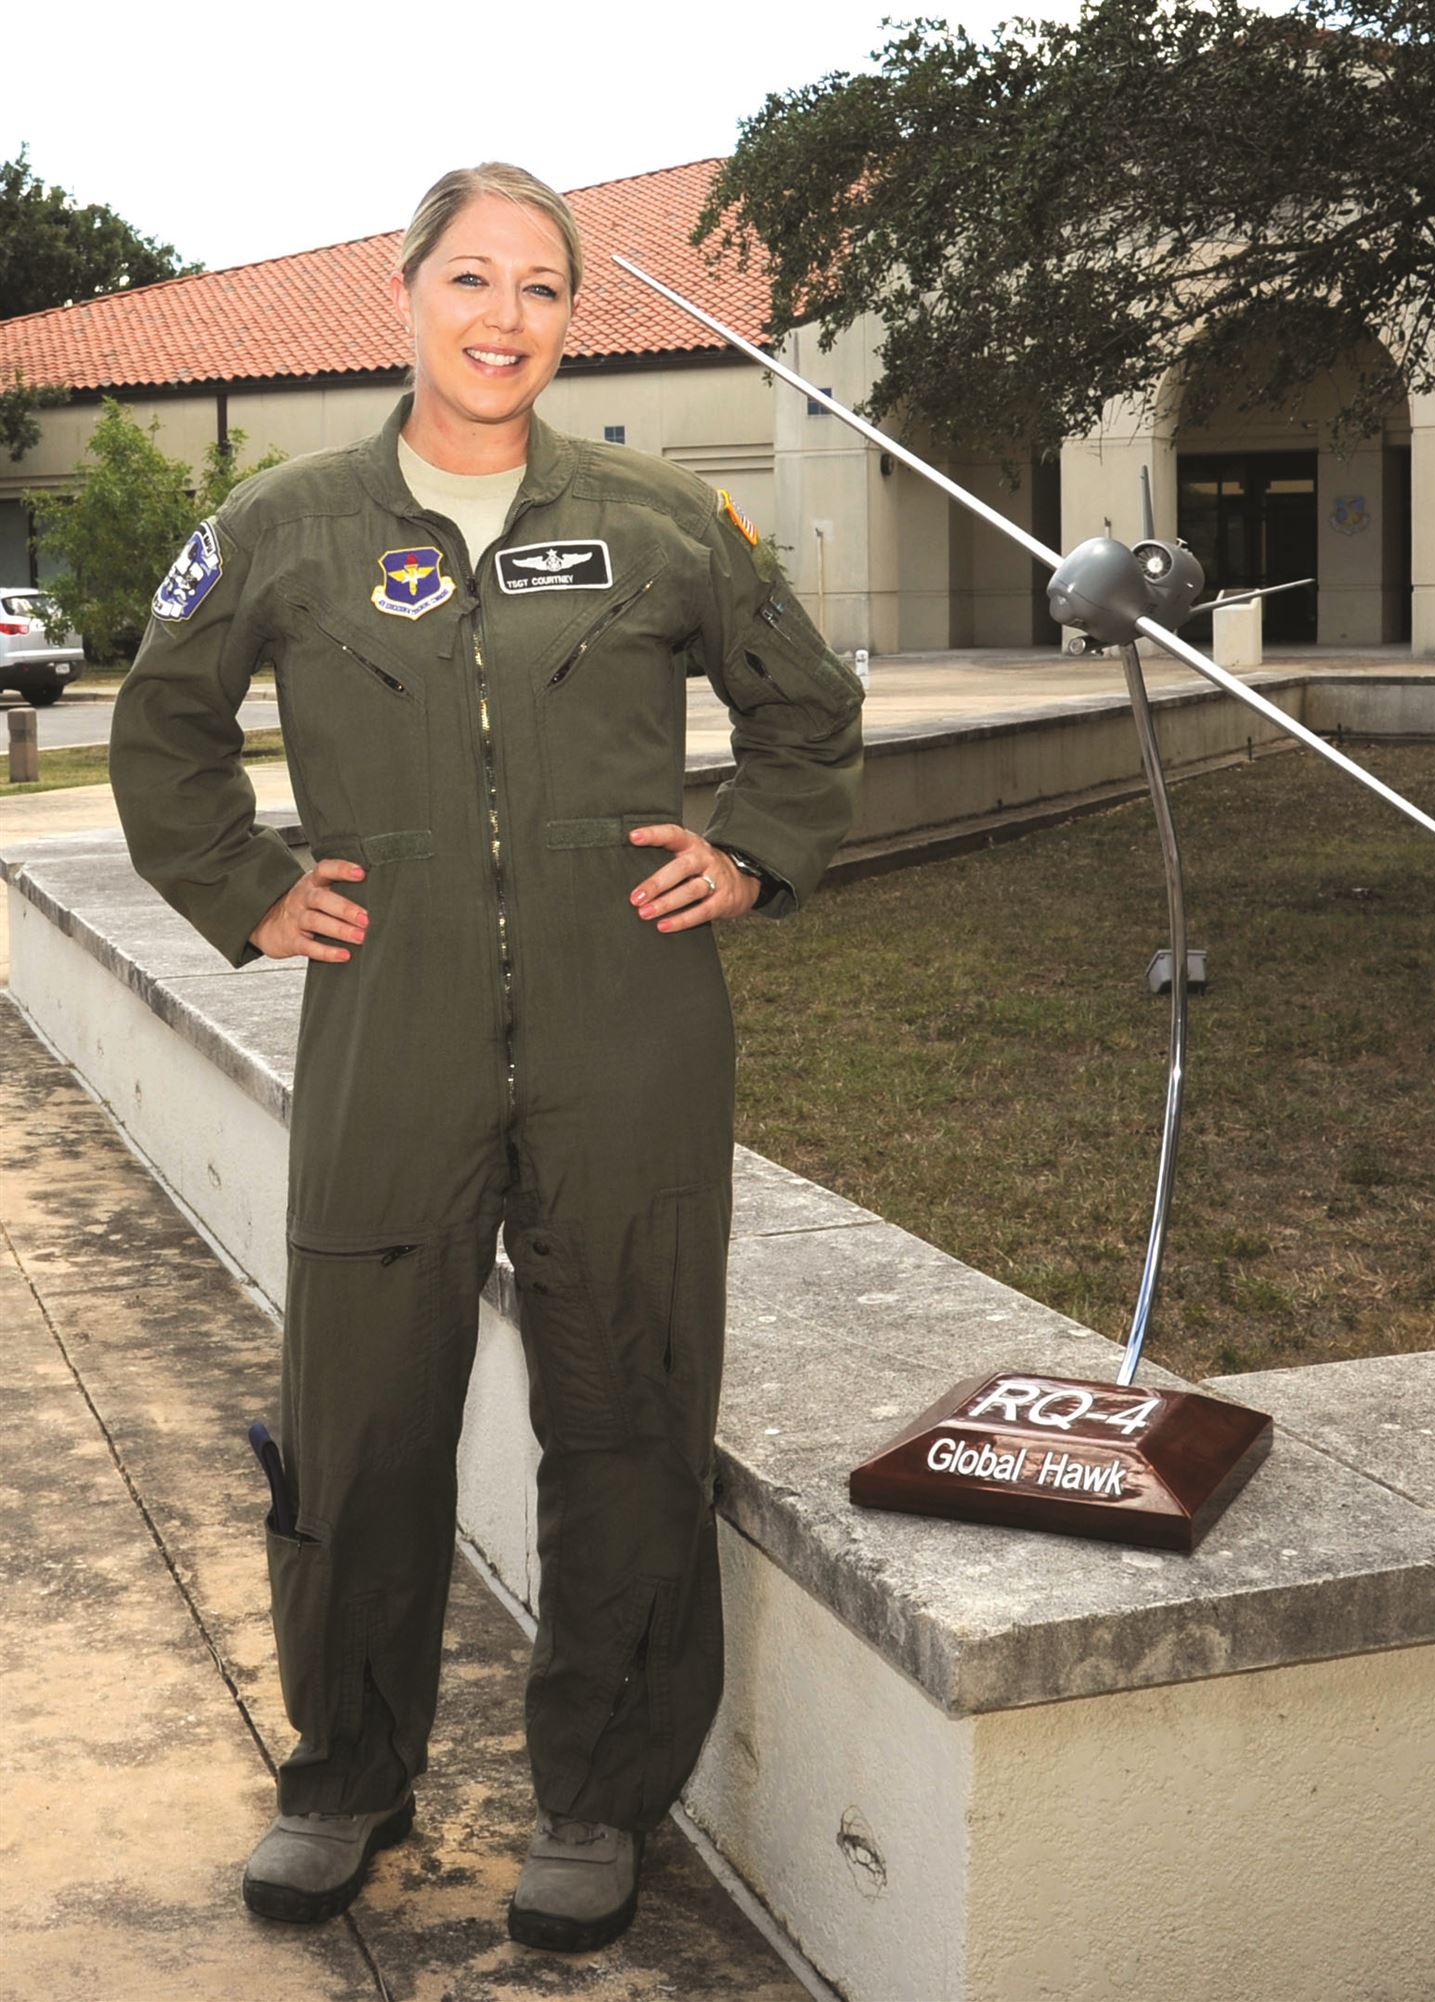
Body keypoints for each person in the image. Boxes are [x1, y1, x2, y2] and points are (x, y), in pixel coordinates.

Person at [108, 162, 863, 1954]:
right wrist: (251, 887)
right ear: (408, 292)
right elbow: (161, 723)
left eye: (540, 284)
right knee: (363, 1416)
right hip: (391, 1035)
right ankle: (345, 1774)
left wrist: (752, 852)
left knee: (628, 1413)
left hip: (633, 1037)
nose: (504, 315)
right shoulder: (285, 524)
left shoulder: (664, 519)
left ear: (571, 313)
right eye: (470, 277)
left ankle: (597, 1799)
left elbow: (810, 710)